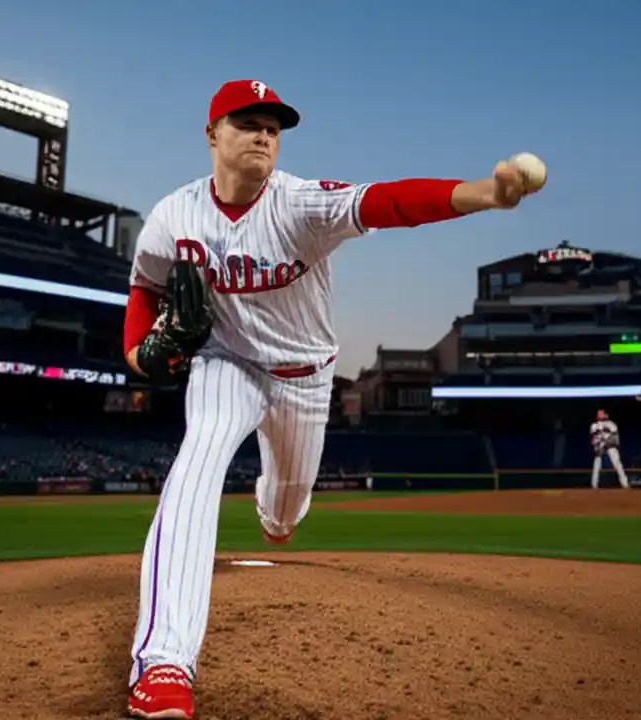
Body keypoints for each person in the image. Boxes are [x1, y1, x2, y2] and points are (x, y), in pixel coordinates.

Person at [120, 78, 545, 719]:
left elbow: (390, 203)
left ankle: (275, 514)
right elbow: (144, 292)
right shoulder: (172, 215)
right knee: (195, 464)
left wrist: (485, 194)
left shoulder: (299, 205)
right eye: (246, 122)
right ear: (211, 135)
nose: (264, 133)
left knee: (286, 510)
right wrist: (139, 354)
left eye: (273, 125)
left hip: (305, 381)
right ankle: (163, 664)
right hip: (225, 365)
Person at [590, 408, 629, 489]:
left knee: (617, 464)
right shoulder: (594, 426)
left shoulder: (611, 424)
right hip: (600, 446)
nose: (600, 415)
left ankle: (625, 484)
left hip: (610, 446)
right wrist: (597, 446)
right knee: (596, 467)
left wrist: (608, 442)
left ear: (605, 414)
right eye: (598, 414)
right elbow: (593, 438)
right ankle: (594, 485)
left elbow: (615, 436)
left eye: (601, 413)